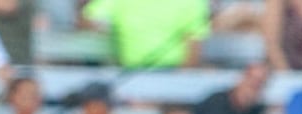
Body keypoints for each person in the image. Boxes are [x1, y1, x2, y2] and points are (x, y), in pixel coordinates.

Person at [80, 0, 209, 69]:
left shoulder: (192, 2)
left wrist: (178, 84)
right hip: (129, 72)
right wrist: (102, 27)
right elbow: (88, 19)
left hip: (171, 71)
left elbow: (194, 46)